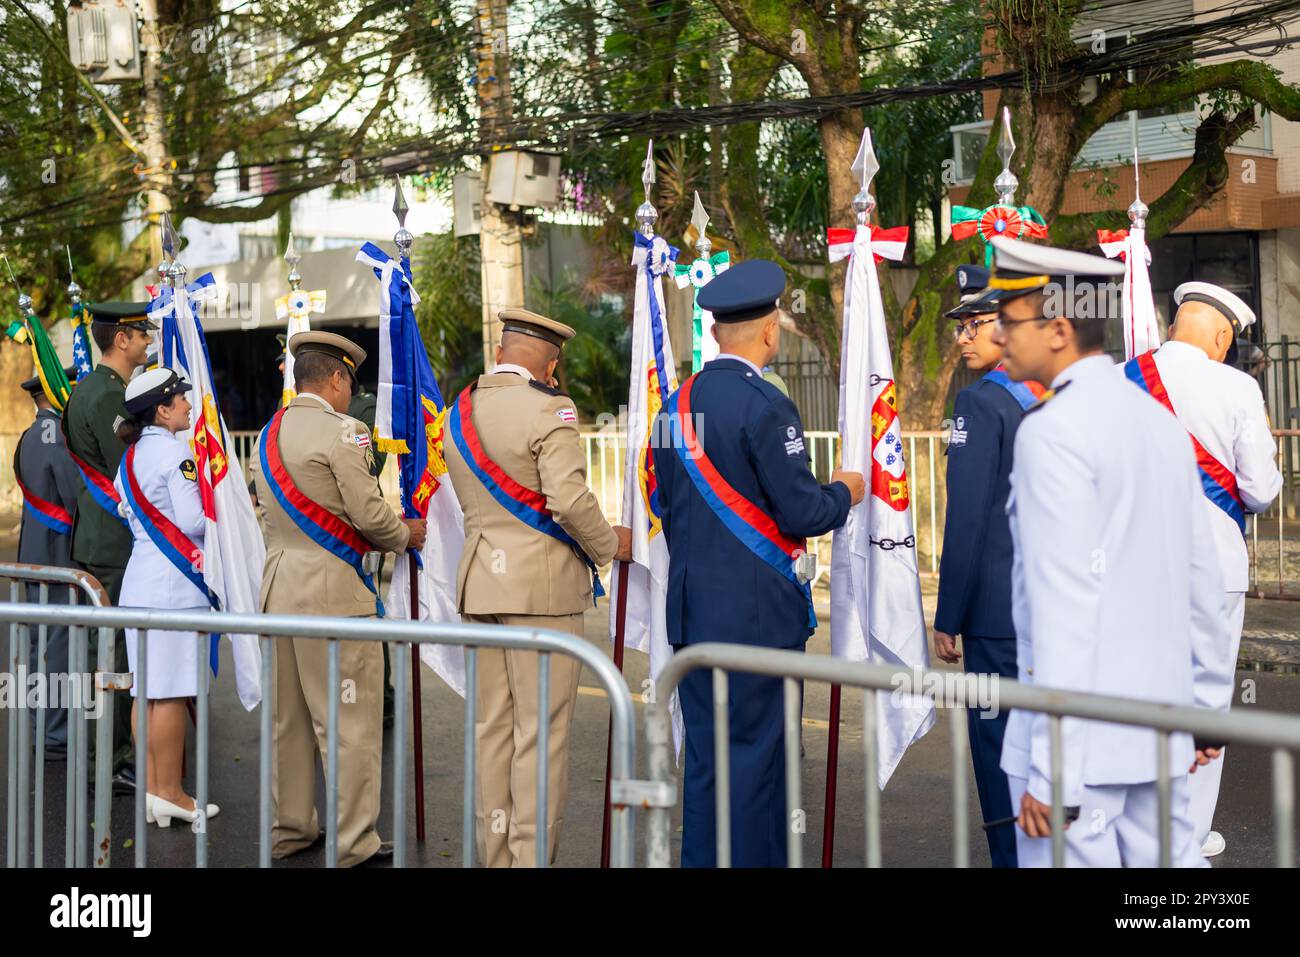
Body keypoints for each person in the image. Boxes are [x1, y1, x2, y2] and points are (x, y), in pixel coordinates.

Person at [987, 235, 1230, 868]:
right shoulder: (1157, 423)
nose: (1000, 337)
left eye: (1011, 322)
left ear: (1059, 328)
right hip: (1157, 724)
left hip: (1081, 744)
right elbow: (1199, 581)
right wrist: (1204, 710)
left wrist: (1053, 768)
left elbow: (1063, 607)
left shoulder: (1051, 434)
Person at [655, 259, 864, 867]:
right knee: (757, 763)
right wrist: (846, 490)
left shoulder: (676, 406)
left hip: (694, 617)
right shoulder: (765, 406)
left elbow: (665, 500)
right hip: (756, 621)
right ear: (770, 330)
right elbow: (801, 511)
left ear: (717, 331)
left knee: (707, 763)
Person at [443, 307, 631, 867]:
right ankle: (530, 860)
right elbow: (569, 500)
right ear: (551, 362)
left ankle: (495, 855)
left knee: (492, 730)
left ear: (502, 351)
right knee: (541, 737)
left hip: (481, 585)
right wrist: (609, 545)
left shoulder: (459, 414)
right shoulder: (551, 409)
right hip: (541, 593)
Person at [1119, 281, 1283, 859]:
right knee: (1206, 700)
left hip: (1133, 564)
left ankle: (1139, 824)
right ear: (1221, 335)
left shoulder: (1120, 379)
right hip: (1212, 564)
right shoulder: (1236, 386)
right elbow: (1261, 491)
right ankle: (1184, 838)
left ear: (1173, 327)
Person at [253, 331, 426, 867]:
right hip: (332, 595)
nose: (352, 394)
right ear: (336, 378)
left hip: (278, 589)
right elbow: (370, 515)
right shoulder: (345, 432)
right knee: (348, 722)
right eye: (350, 382)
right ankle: (354, 841)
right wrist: (406, 535)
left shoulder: (266, 433)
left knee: (290, 722)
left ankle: (292, 829)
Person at [933, 264, 1043, 868]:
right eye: (961, 326)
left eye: (974, 324)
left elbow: (970, 519)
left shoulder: (981, 403)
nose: (963, 337)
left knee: (1004, 754)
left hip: (1000, 618)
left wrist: (949, 615)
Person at [113, 368, 220, 827]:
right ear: (162, 409)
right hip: (174, 588)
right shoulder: (176, 453)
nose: (189, 405)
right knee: (172, 693)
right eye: (181, 399)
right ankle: (172, 792)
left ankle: (155, 791)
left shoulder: (130, 458)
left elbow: (127, 512)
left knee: (146, 693)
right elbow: (195, 520)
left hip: (139, 584)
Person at [61, 300, 157, 792]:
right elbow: (129, 469)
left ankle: (107, 754)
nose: (148, 340)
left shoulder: (98, 388)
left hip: (102, 538)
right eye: (143, 333)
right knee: (116, 658)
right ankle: (114, 760)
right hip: (112, 542)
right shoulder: (106, 397)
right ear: (121, 339)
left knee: (109, 654)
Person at [13, 367, 82, 753]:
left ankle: (42, 724)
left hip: (31, 553)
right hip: (59, 554)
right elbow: (73, 496)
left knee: (38, 639)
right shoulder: (59, 435)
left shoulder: (27, 437)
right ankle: (56, 734)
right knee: (58, 644)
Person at [347, 383, 395, 727]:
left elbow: (372, 462)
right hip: (317, 527)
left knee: (367, 613)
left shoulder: (365, 407)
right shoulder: (291, 401)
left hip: (357, 530)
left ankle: (382, 697)